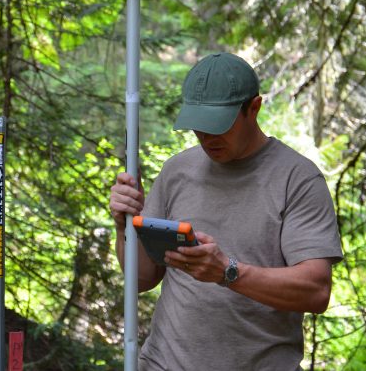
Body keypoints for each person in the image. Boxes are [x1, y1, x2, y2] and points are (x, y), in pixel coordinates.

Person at [109, 52, 343, 371]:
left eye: (219, 125)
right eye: (199, 126)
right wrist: (124, 226)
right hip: (163, 364)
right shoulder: (177, 171)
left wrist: (227, 272)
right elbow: (142, 278)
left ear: (254, 108)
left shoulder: (297, 179)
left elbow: (316, 291)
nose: (207, 137)